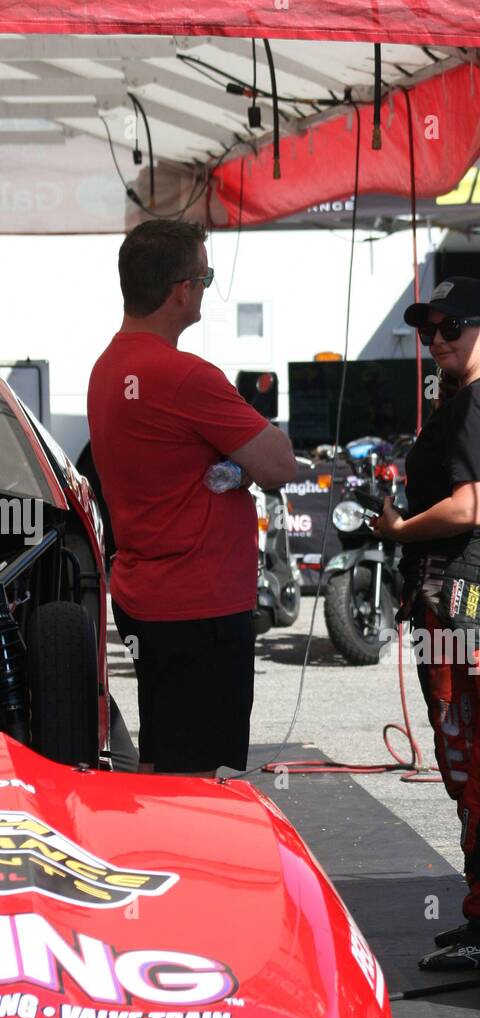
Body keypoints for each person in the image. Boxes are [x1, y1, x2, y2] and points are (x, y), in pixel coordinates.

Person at [374, 276, 480, 970]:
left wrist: (399, 528)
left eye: (453, 327)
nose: (439, 339)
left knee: (478, 758)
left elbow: (474, 504)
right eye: (428, 330)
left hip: (472, 596)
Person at [87, 219, 297, 776]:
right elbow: (279, 464)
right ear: (182, 288)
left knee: (166, 759)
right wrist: (239, 464)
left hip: (148, 595)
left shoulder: (107, 368)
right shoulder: (185, 376)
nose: (205, 289)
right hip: (199, 603)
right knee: (202, 778)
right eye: (205, 278)